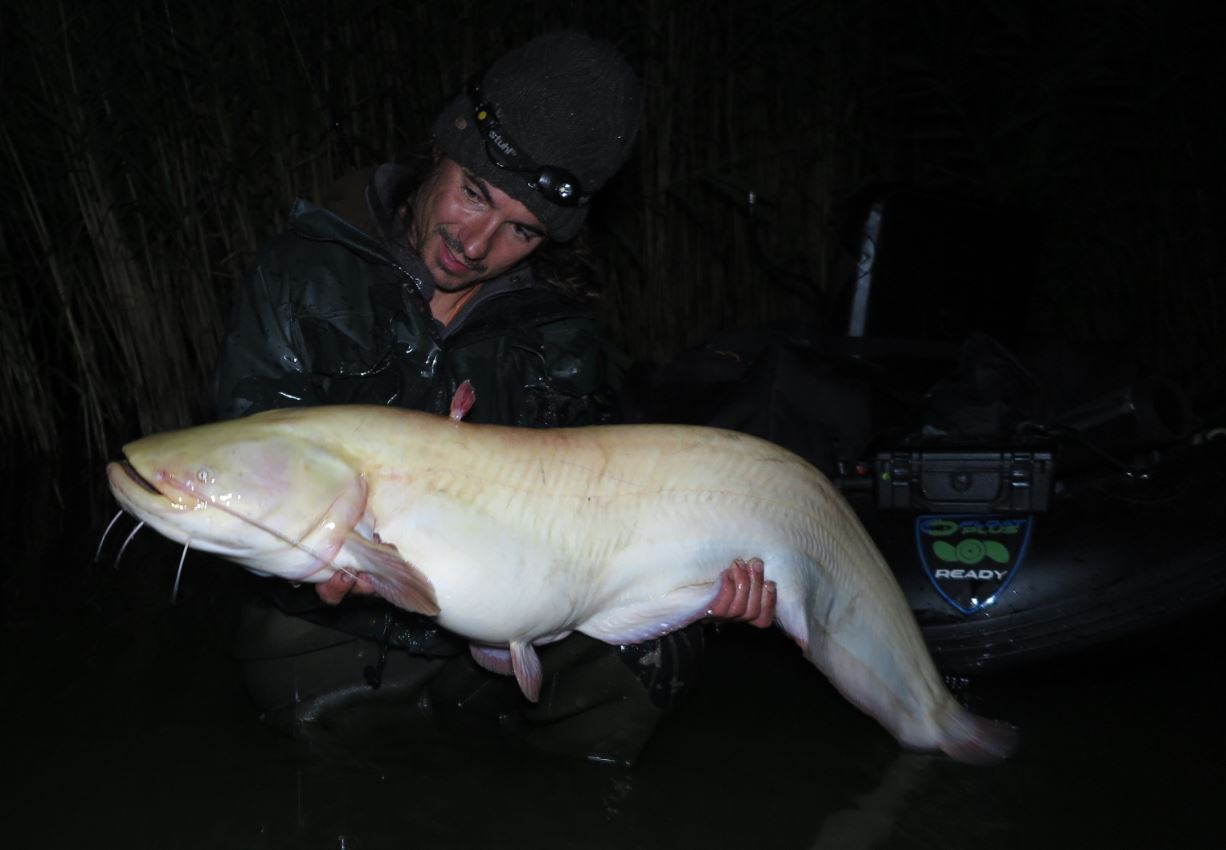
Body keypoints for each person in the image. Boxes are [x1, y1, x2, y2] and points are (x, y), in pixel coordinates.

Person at [211, 30, 775, 765]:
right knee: (340, 771)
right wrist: (312, 569)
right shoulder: (305, 272)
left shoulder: (562, 333)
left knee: (659, 652)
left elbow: (603, 527)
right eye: (474, 194)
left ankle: (562, 803)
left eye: (522, 230)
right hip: (338, 635)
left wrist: (699, 586)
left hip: (504, 628)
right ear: (442, 146)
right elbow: (241, 471)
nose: (476, 244)